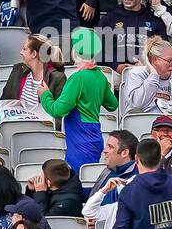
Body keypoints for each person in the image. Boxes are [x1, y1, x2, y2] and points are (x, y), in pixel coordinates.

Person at [39, 28, 118, 170]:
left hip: (80, 139)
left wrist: (45, 95)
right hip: (94, 136)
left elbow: (58, 110)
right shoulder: (100, 76)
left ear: (75, 51)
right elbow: (112, 104)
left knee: (79, 179)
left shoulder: (77, 78)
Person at [99, 0, 169, 70]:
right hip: (114, 72)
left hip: (146, 72)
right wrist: (117, 66)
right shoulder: (108, 19)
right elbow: (99, 51)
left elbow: (163, 52)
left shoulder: (154, 20)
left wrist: (146, 67)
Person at [120, 37, 172, 119]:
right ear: (154, 60)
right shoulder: (137, 73)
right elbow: (137, 104)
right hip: (141, 121)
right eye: (169, 60)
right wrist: (153, 76)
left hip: (169, 123)